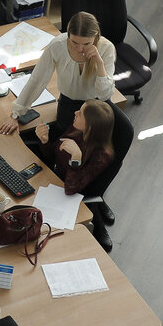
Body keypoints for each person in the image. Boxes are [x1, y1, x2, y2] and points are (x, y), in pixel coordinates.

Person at [0, 11, 116, 138]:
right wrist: (16, 114)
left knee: (91, 148)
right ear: (68, 34)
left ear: (96, 36)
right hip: (68, 103)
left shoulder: (106, 48)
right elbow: (37, 80)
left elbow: (104, 95)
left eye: (86, 44)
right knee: (63, 143)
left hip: (95, 107)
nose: (80, 49)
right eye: (74, 42)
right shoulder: (57, 45)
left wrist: (99, 63)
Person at [37, 99, 117, 250]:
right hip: (56, 179)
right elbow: (53, 156)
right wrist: (45, 141)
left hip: (74, 192)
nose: (75, 113)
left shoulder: (102, 155)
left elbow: (71, 189)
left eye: (80, 113)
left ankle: (98, 222)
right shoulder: (75, 131)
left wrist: (76, 159)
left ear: (90, 126)